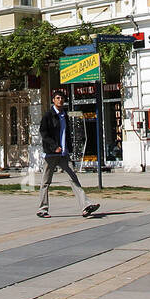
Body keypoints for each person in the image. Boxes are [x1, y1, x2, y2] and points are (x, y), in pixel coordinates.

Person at [37, 91, 100, 219]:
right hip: (51, 154)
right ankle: (42, 209)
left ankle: (85, 206)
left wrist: (68, 149)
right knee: (46, 181)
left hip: (64, 154)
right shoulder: (48, 115)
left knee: (73, 178)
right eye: (57, 98)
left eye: (62, 98)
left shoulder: (64, 114)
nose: (60, 100)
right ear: (53, 100)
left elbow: (66, 134)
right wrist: (54, 147)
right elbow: (44, 133)